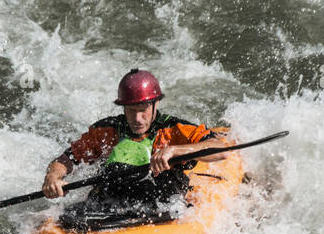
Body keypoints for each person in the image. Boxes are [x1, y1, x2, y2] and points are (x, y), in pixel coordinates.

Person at [42, 69, 226, 209]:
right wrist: (53, 177)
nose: (137, 119)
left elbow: (219, 149)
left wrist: (175, 150)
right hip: (110, 202)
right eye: (131, 110)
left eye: (143, 109)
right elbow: (66, 159)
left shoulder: (174, 129)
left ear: (156, 104)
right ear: (123, 108)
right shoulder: (106, 130)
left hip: (161, 204)